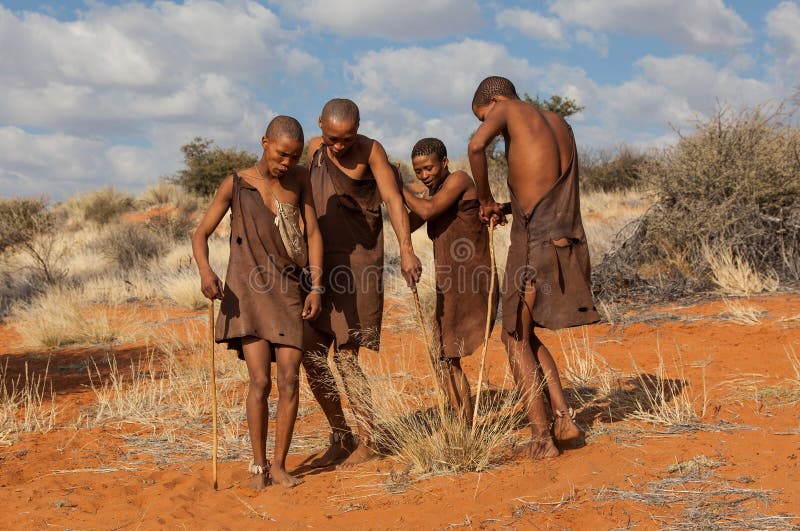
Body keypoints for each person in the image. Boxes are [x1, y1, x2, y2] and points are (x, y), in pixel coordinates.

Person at [468, 76, 600, 459]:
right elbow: (544, 189)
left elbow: (476, 147)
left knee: (512, 336)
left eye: (483, 116)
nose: (486, 126)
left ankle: (541, 438)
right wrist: (507, 208)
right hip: (567, 242)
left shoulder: (508, 109)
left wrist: (486, 199)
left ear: (494, 100)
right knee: (524, 334)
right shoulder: (559, 123)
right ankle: (563, 419)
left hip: (534, 245)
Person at [192, 115, 324, 489]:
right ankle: (258, 465)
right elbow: (200, 234)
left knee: (290, 379)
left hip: (288, 290)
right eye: (282, 155)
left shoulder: (300, 181)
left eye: (295, 157)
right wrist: (206, 273)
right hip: (247, 294)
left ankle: (280, 466)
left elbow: (312, 232)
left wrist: (316, 287)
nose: (287, 164)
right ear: (265, 142)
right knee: (259, 381)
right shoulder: (235, 184)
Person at [302, 98, 422, 468]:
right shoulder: (313, 150)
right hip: (317, 263)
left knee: (347, 355)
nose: (339, 146)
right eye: (332, 138)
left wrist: (406, 250)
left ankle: (370, 437)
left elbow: (392, 199)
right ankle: (341, 434)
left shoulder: (371, 150)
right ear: (320, 125)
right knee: (310, 354)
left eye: (347, 138)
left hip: (358, 264)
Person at [401, 137, 498, 423]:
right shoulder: (435, 192)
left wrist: (398, 186)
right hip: (450, 283)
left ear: (444, 162)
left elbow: (426, 212)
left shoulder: (458, 179)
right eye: (418, 172)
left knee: (447, 352)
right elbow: (409, 221)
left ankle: (465, 425)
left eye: (429, 168)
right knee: (444, 355)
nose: (424, 175)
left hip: (469, 279)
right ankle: (461, 422)